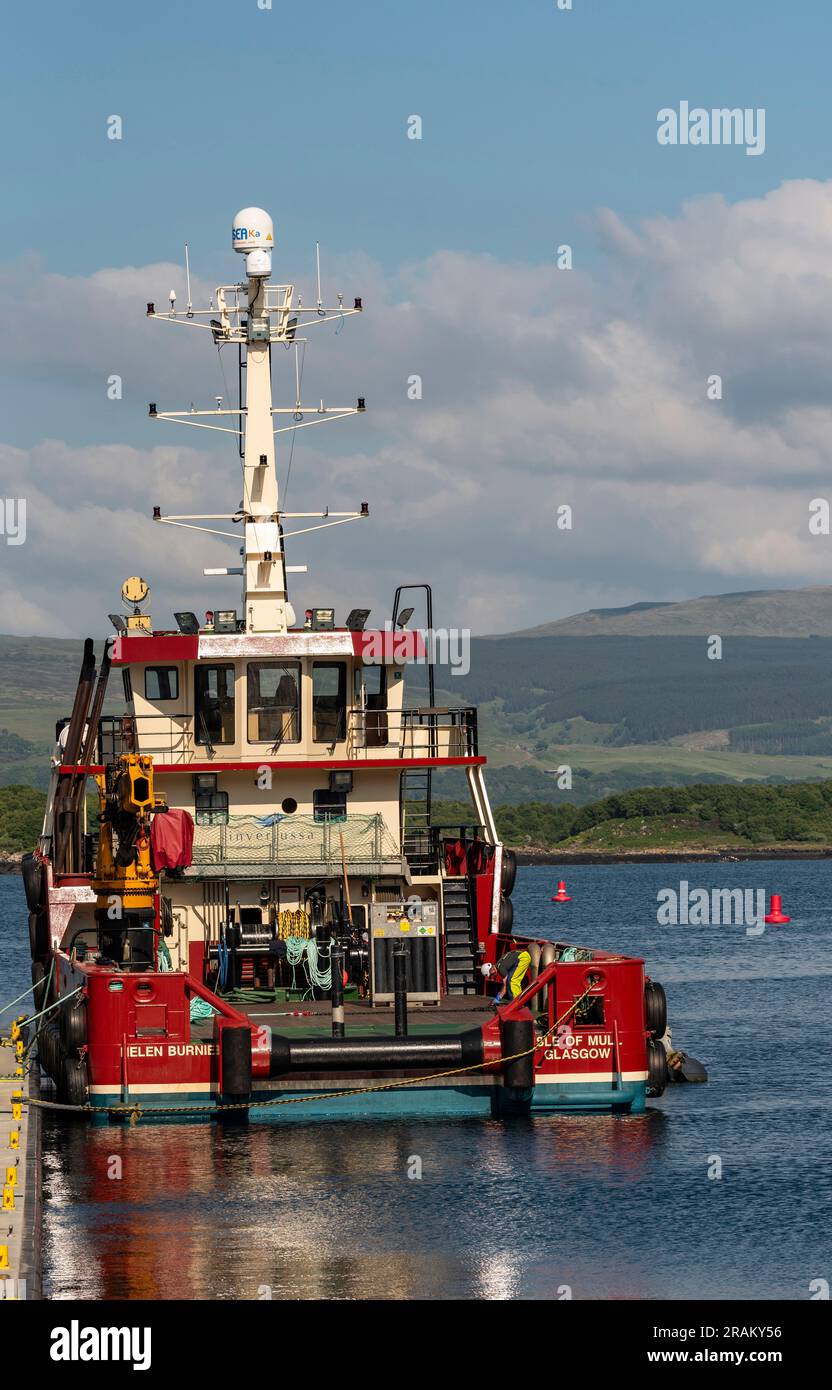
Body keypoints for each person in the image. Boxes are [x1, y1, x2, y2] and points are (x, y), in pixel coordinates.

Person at [493, 941, 532, 1006]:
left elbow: (505, 985)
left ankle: (516, 1003)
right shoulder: (499, 963)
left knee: (512, 980)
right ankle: (520, 1000)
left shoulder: (500, 968)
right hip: (523, 956)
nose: (492, 976)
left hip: (522, 958)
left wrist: (498, 998)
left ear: (492, 970)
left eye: (491, 974)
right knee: (515, 980)